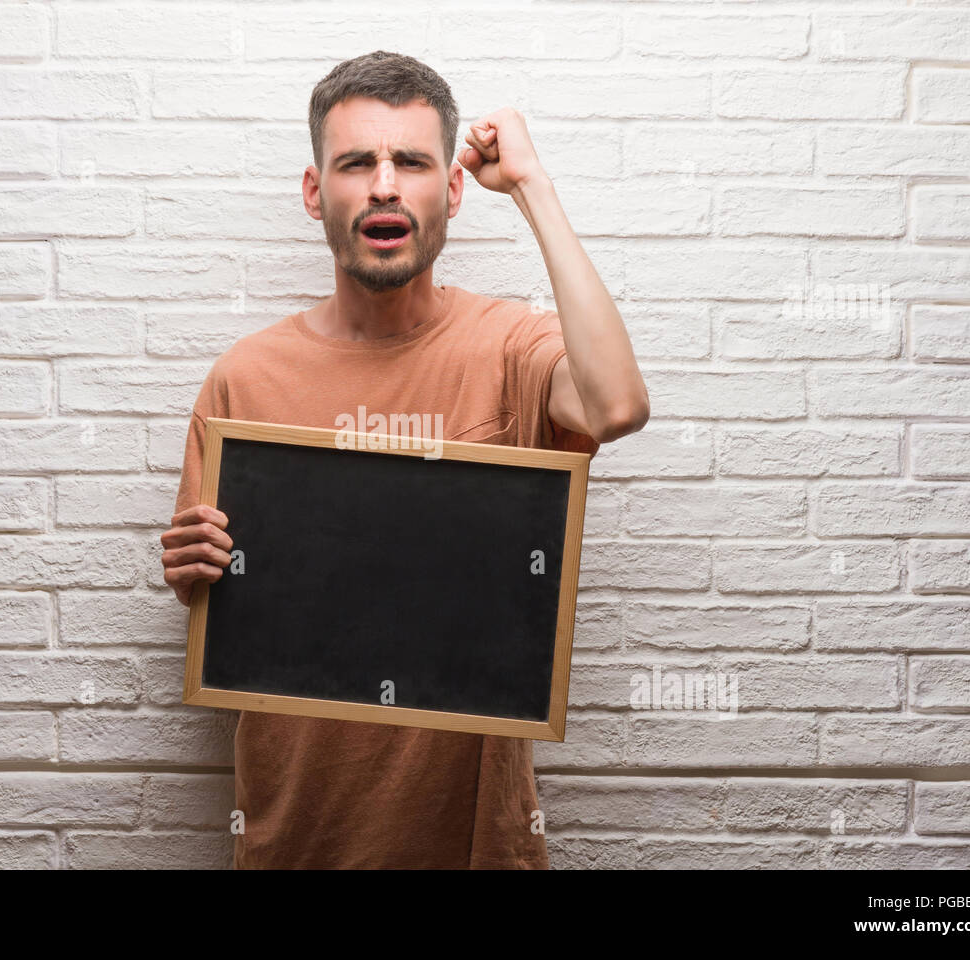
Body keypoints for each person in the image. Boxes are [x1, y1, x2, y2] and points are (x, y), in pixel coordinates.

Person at [160, 50, 649, 869]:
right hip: (293, 841)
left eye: (412, 162)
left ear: (451, 191)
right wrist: (193, 565)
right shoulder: (243, 378)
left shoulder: (510, 348)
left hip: (475, 849)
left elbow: (617, 406)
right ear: (317, 192)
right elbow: (215, 600)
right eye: (356, 162)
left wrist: (533, 185)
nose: (384, 185)